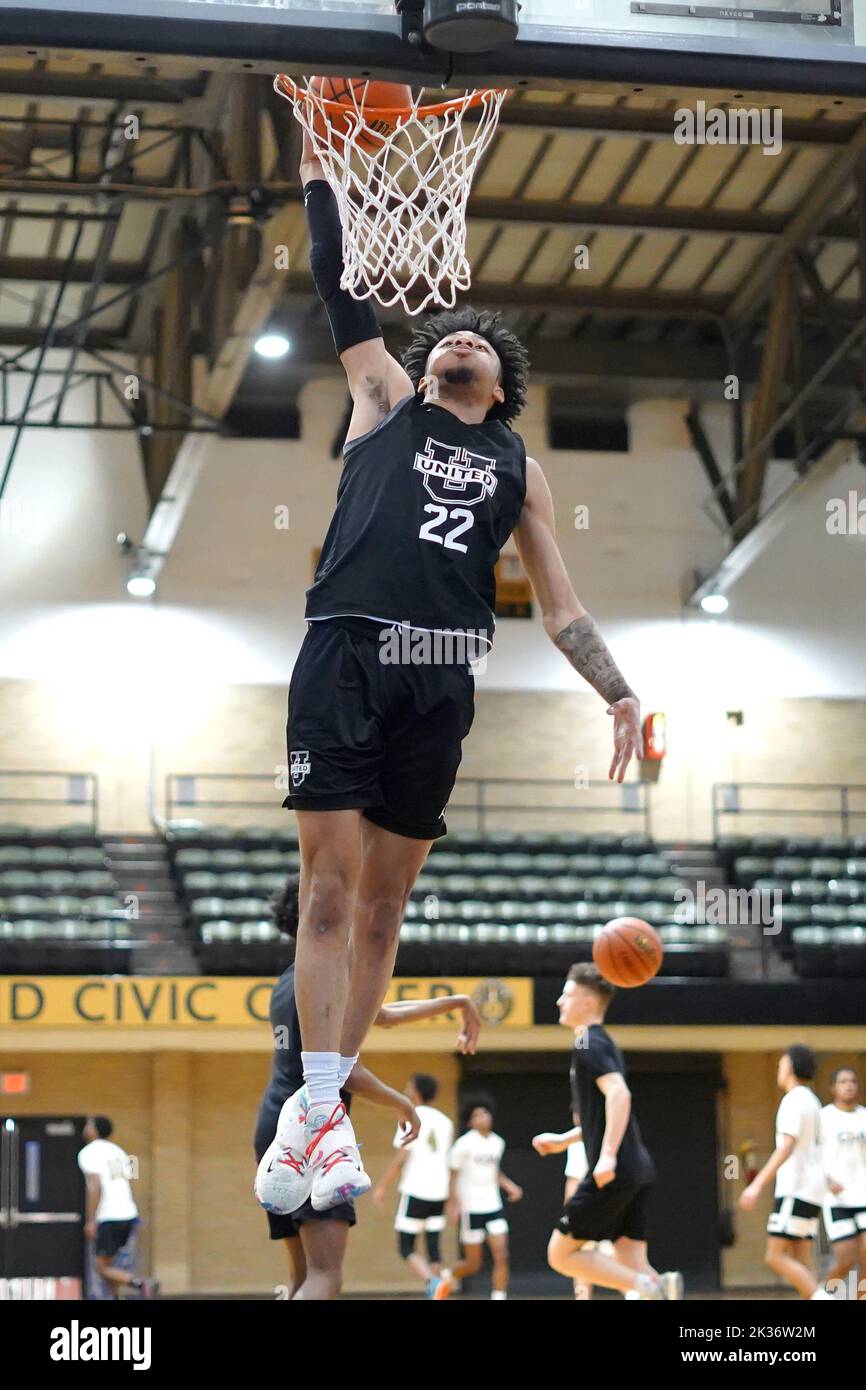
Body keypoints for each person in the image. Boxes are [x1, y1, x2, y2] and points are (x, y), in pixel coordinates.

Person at [273, 125, 645, 1217]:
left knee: (386, 911)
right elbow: (341, 286)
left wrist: (616, 688)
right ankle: (316, 1109)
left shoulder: (516, 465)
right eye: (446, 336)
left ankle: (324, 1111)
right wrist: (317, 178)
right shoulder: (383, 399)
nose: (455, 342)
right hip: (344, 646)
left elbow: (561, 605)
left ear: (498, 377)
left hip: (441, 676)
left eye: (475, 342)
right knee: (329, 890)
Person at [254, 875, 481, 1300]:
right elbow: (342, 1069)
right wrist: (401, 1103)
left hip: (274, 1126)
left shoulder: (294, 980)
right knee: (327, 1276)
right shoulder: (326, 976)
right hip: (309, 1131)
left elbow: (383, 1014)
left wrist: (455, 1002)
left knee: (305, 1277)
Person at [541, 964, 682, 1300]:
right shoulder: (597, 1042)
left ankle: (650, 1286)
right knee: (631, 1260)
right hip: (637, 1168)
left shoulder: (588, 1042)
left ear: (589, 1002)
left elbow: (620, 1095)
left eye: (568, 994)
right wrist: (565, 1140)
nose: (560, 1001)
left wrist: (605, 1157)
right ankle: (657, 1287)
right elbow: (601, 1114)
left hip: (615, 1170)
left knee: (560, 1255)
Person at [738, 1044, 831, 1300]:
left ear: (789, 1066)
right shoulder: (812, 1100)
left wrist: (756, 1185)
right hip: (814, 1189)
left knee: (775, 1255)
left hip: (796, 1186)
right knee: (801, 1257)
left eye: (781, 1064)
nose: (779, 1069)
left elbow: (786, 1147)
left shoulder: (793, 1100)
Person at [372, 1072, 455, 1299]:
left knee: (406, 1246)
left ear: (416, 1090)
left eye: (409, 1085)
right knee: (434, 1249)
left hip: (416, 1189)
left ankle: (433, 1281)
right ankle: (440, 1290)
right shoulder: (446, 1122)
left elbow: (401, 1157)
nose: (406, 1089)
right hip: (439, 1191)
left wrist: (382, 1186)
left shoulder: (410, 1115)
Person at [438, 1098, 522, 1301]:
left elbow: (494, 1171)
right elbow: (453, 1176)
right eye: (477, 1115)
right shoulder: (464, 1144)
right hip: (471, 1208)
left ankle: (499, 1296)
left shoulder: (497, 1142)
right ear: (469, 1122)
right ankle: (445, 1276)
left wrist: (509, 1185)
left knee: (502, 1255)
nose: (483, 1117)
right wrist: (453, 1204)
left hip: (493, 1205)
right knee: (473, 1263)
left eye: (485, 1113)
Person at [534, 1114, 620, 1301]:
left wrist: (571, 1211)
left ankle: (638, 1288)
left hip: (593, 1207)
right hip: (610, 1204)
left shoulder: (592, 1139)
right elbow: (572, 1181)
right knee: (606, 1257)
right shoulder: (610, 1136)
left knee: (578, 1258)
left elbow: (573, 1183)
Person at [78, 1116, 156, 1299]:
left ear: (95, 1130)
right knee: (113, 1265)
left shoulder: (88, 1152)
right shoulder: (118, 1151)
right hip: (129, 1214)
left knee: (102, 1267)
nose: (86, 1127)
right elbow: (126, 1180)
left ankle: (140, 1283)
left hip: (109, 1216)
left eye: (89, 1124)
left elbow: (95, 1185)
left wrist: (91, 1221)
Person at [821, 1066, 866, 1294]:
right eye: (843, 1081)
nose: (849, 1085)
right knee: (846, 1260)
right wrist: (826, 1180)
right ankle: (824, 1296)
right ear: (833, 1087)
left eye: (853, 1081)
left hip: (863, 1196)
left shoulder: (864, 1116)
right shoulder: (824, 1117)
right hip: (837, 1199)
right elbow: (811, 1156)